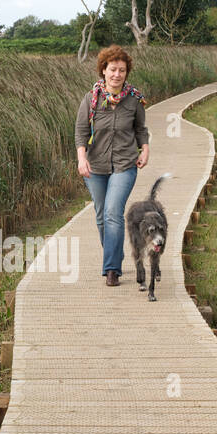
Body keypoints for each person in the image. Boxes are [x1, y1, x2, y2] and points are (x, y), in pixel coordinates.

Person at [75, 44, 149, 285]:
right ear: (103, 71)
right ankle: (115, 253)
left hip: (125, 163)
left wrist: (145, 149)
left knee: (112, 213)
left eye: (122, 70)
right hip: (95, 166)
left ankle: (111, 270)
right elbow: (81, 131)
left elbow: (141, 129)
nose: (117, 75)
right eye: (113, 69)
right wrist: (81, 158)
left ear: (127, 73)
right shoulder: (91, 99)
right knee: (100, 215)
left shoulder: (134, 100)